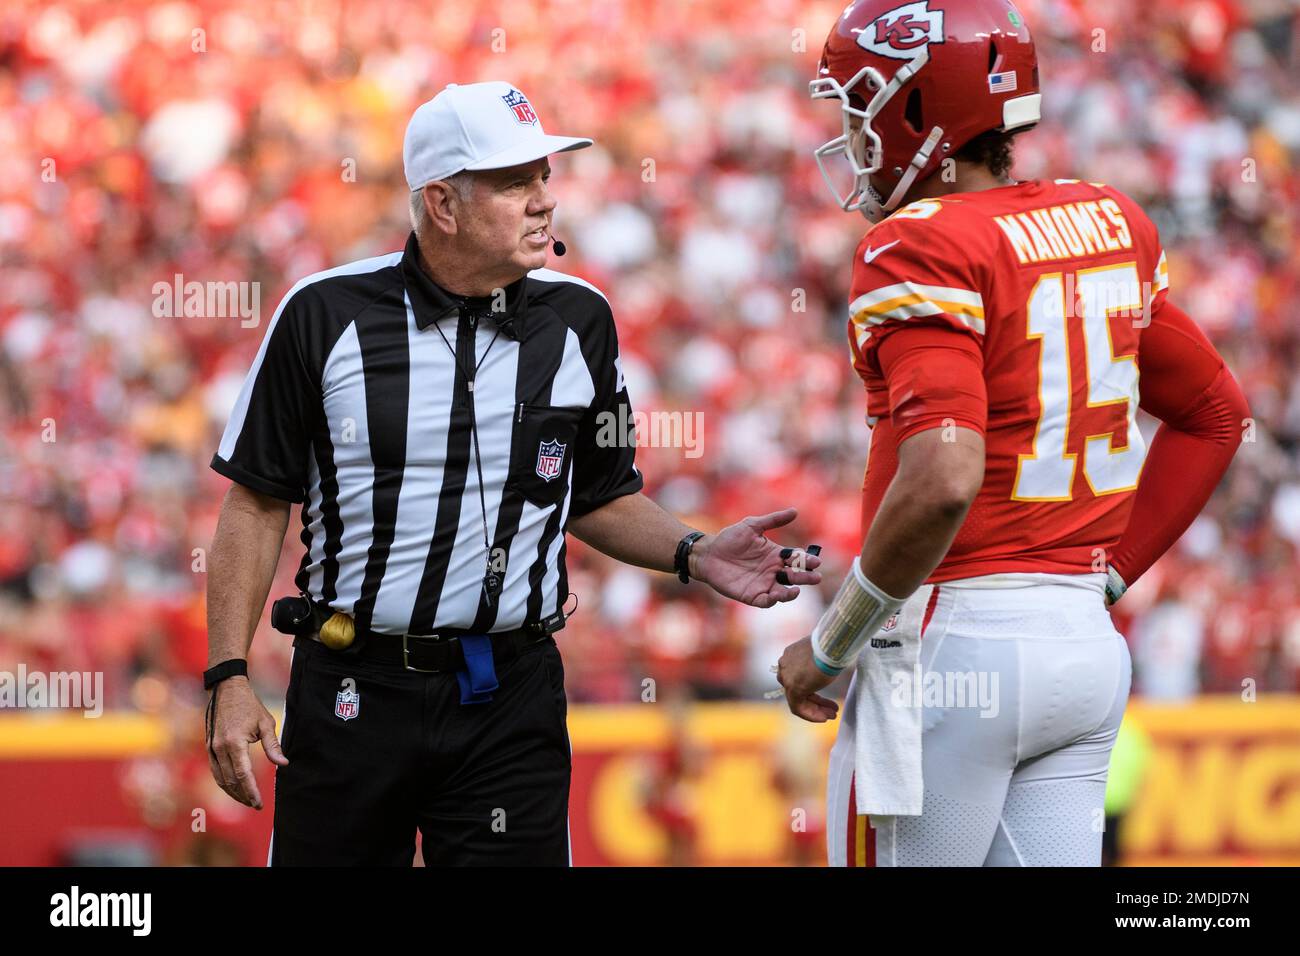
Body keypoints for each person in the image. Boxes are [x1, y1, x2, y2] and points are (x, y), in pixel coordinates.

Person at [203, 80, 821, 865]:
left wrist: (692, 552)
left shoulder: (580, 320)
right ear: (442, 204)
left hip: (509, 692)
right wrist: (228, 672)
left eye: (544, 178)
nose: (543, 202)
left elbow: (598, 493)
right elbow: (256, 503)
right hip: (353, 686)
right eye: (513, 182)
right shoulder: (324, 315)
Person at [777, 0, 1249, 866]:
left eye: (860, 106)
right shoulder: (1109, 218)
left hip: (951, 643)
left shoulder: (918, 244)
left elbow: (946, 473)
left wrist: (830, 642)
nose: (852, 133)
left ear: (919, 108)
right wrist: (1105, 580)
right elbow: (1216, 416)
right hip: (1082, 648)